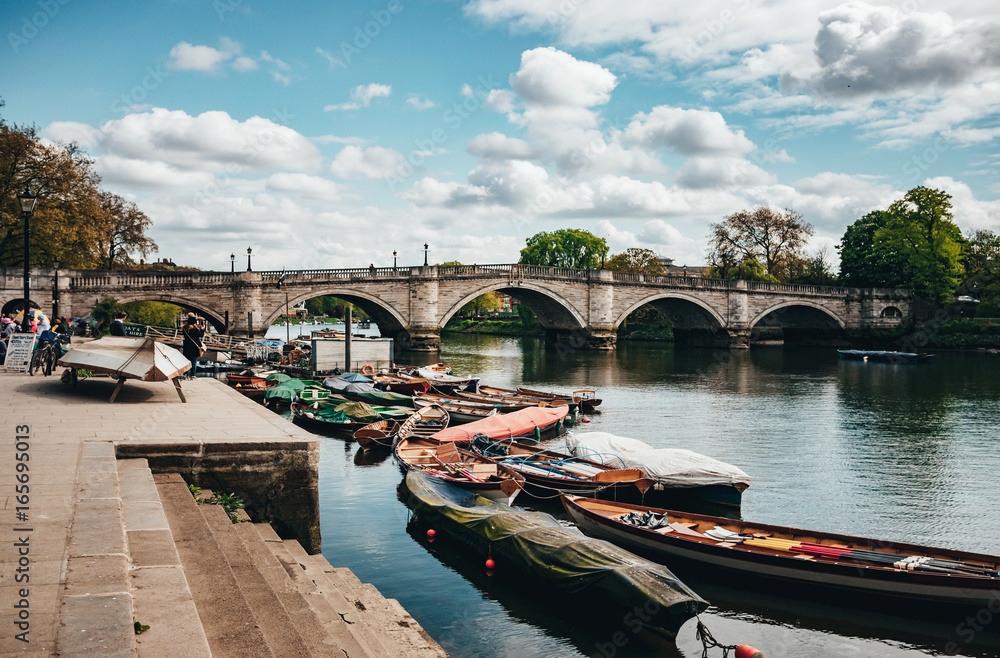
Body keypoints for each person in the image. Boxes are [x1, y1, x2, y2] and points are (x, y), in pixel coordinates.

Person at [181, 313, 205, 379]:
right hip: (194, 347)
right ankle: (192, 375)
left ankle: (185, 374)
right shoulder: (194, 329)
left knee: (186, 361)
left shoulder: (184, 328)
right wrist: (202, 329)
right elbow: (200, 335)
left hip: (186, 347)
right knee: (194, 362)